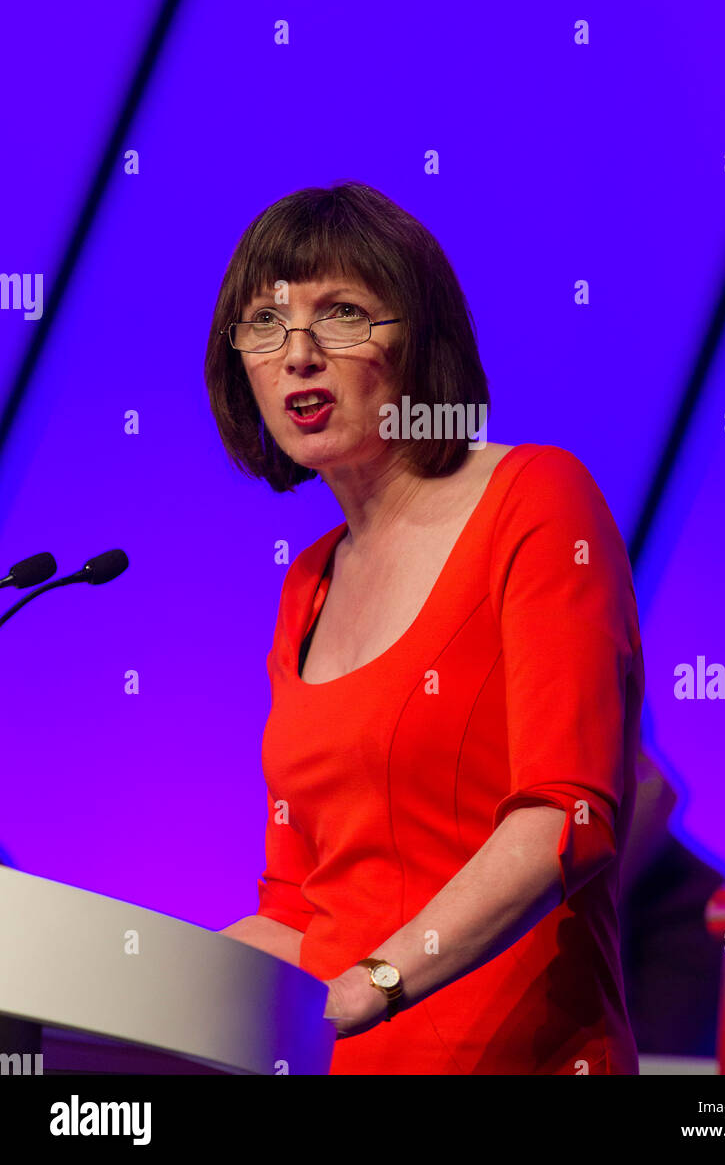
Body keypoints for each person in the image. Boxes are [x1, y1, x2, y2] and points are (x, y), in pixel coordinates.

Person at [205, 181, 645, 1074]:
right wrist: (130, 982)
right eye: (264, 321)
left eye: (341, 314)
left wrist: (378, 980)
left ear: (421, 344)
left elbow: (566, 819)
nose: (298, 354)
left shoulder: (537, 498)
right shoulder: (308, 586)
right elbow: (298, 908)